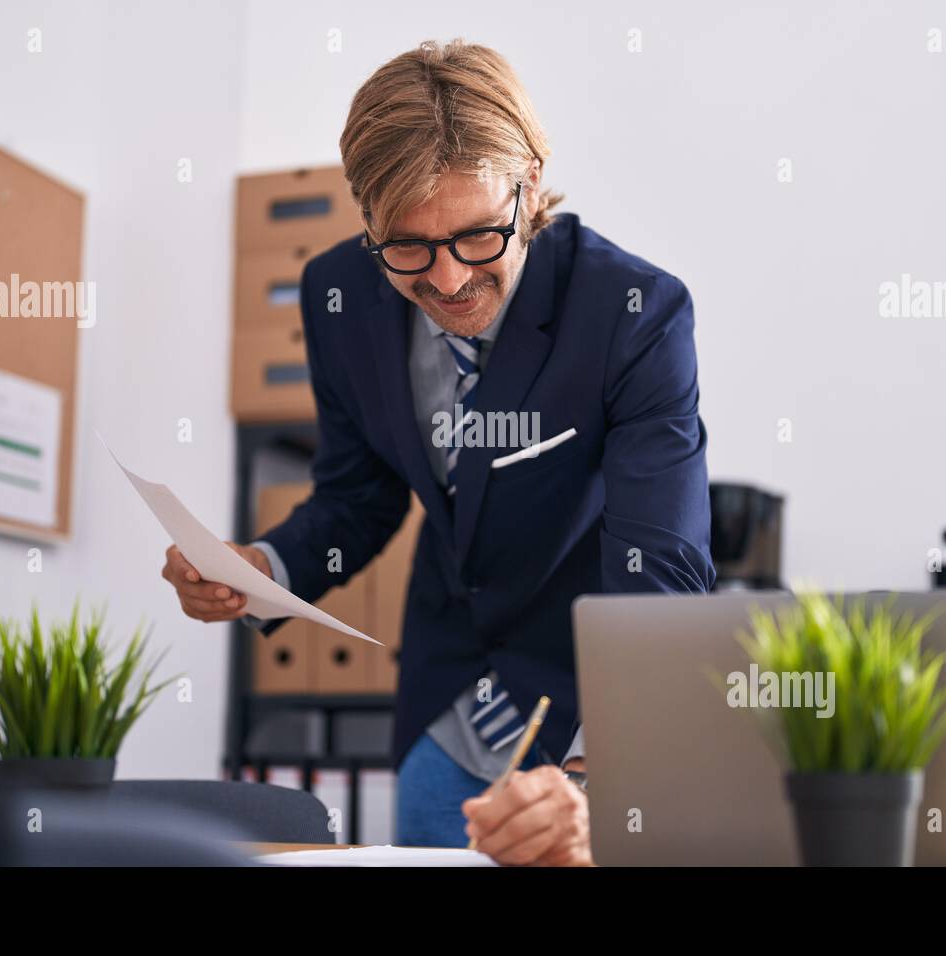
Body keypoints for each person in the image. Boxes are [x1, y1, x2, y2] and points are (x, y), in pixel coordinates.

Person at [161, 39, 714, 860]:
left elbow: (660, 570)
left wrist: (596, 779)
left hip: (584, 705)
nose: (449, 282)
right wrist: (260, 569)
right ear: (366, 216)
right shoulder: (338, 296)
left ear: (529, 187)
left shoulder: (634, 313)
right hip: (446, 699)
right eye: (409, 248)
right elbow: (358, 497)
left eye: (478, 237)